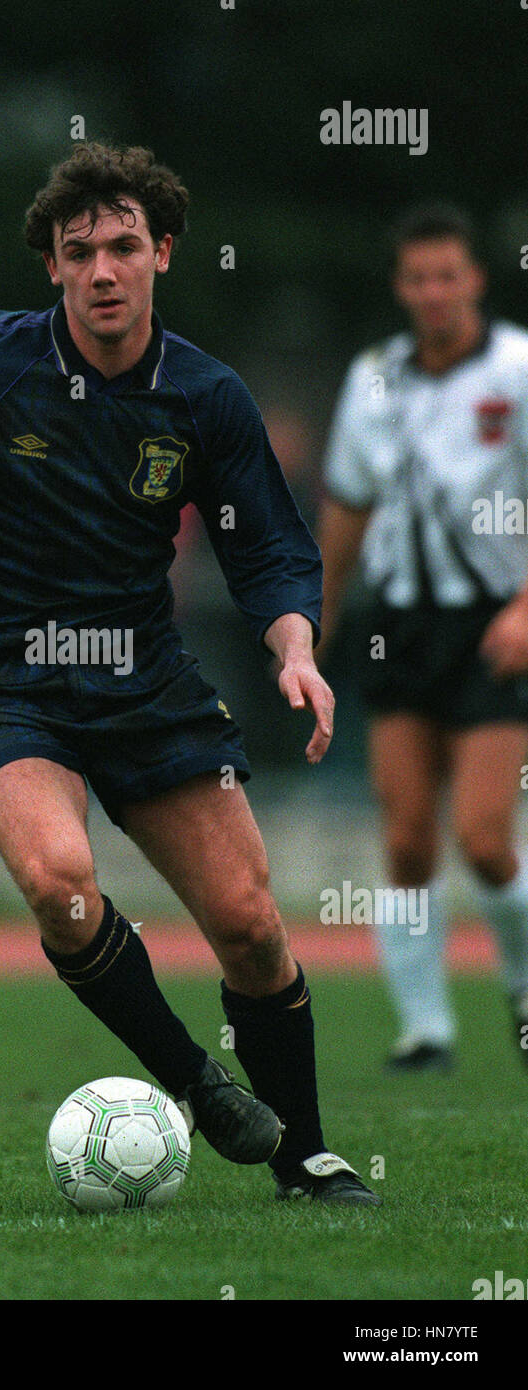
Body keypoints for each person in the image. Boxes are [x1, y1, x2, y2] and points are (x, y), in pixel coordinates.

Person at [0, 141, 379, 1204]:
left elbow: (267, 549)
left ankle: (306, 1156)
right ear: (54, 270)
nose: (105, 269)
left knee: (252, 925)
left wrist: (296, 648)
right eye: (81, 252)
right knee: (61, 888)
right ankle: (198, 1087)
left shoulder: (207, 397)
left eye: (124, 246)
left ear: (162, 253)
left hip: (143, 678)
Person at [317, 204, 528, 1072]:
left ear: (473, 278)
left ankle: (520, 987)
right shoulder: (373, 378)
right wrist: (315, 619)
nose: (434, 292)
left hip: (495, 624)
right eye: (418, 278)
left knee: (482, 837)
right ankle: (424, 1030)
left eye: (449, 274)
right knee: (405, 838)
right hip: (399, 627)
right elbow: (346, 502)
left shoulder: (516, 369)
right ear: (401, 288)